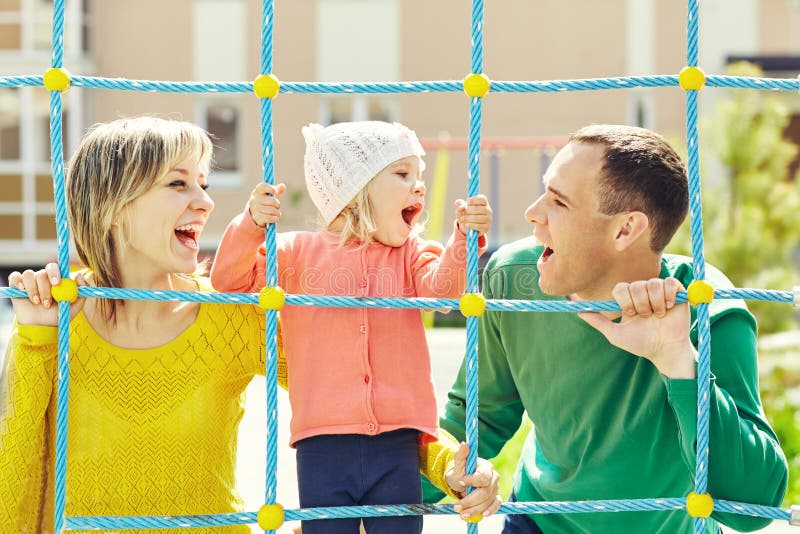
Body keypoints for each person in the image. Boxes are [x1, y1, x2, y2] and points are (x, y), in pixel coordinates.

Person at [0, 117, 497, 533]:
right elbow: (17, 476)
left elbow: (359, 407)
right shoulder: (56, 312)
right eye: (178, 183)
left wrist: (446, 462)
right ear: (111, 205)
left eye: (204, 183)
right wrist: (38, 337)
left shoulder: (229, 318)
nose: (205, 201)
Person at [425, 124, 789, 533]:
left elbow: (752, 506)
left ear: (625, 229)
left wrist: (676, 359)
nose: (533, 212)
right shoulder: (512, 278)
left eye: (559, 203)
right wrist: (372, 498)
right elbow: (479, 419)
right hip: (538, 523)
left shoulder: (706, 303)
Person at [210, 120, 498, 534]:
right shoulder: (294, 253)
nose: (418, 186)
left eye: (419, 176)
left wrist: (463, 241)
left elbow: (442, 292)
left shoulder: (410, 255)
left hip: (397, 442)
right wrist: (251, 225)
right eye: (403, 175)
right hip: (321, 442)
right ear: (354, 189)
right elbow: (228, 280)